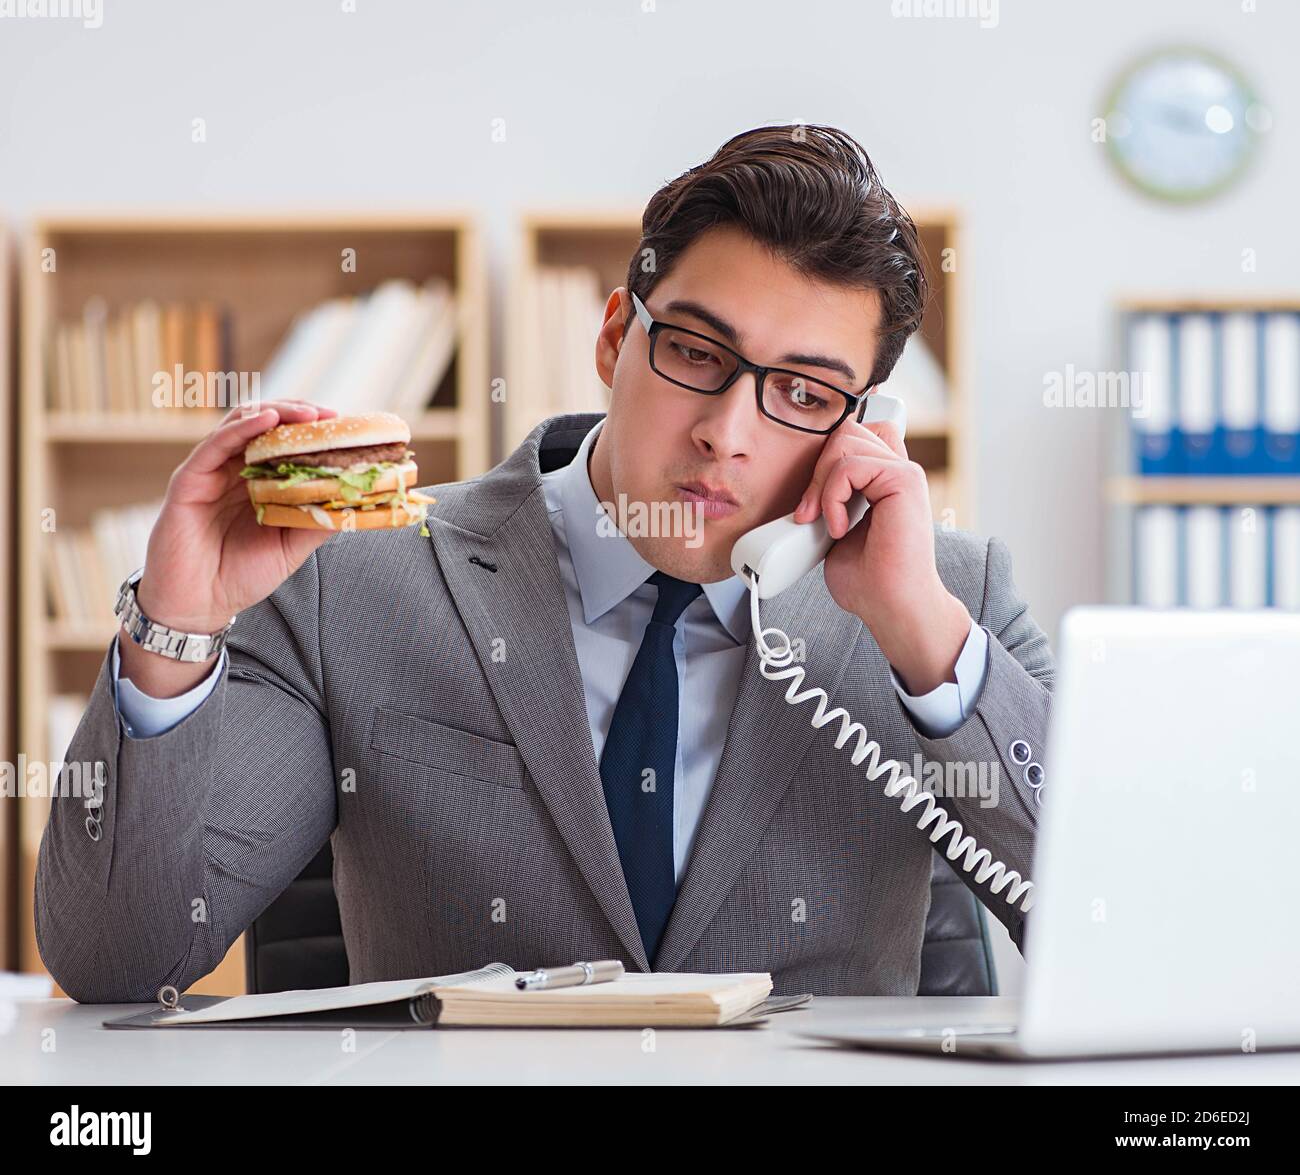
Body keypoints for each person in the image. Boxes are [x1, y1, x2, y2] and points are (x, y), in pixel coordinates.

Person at [36, 124, 1051, 1002]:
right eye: (696, 353)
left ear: (862, 426)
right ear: (614, 337)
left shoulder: (950, 602)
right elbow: (120, 959)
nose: (727, 434)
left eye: (802, 392)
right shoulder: (353, 580)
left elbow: (1107, 926)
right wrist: (173, 628)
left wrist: (926, 648)